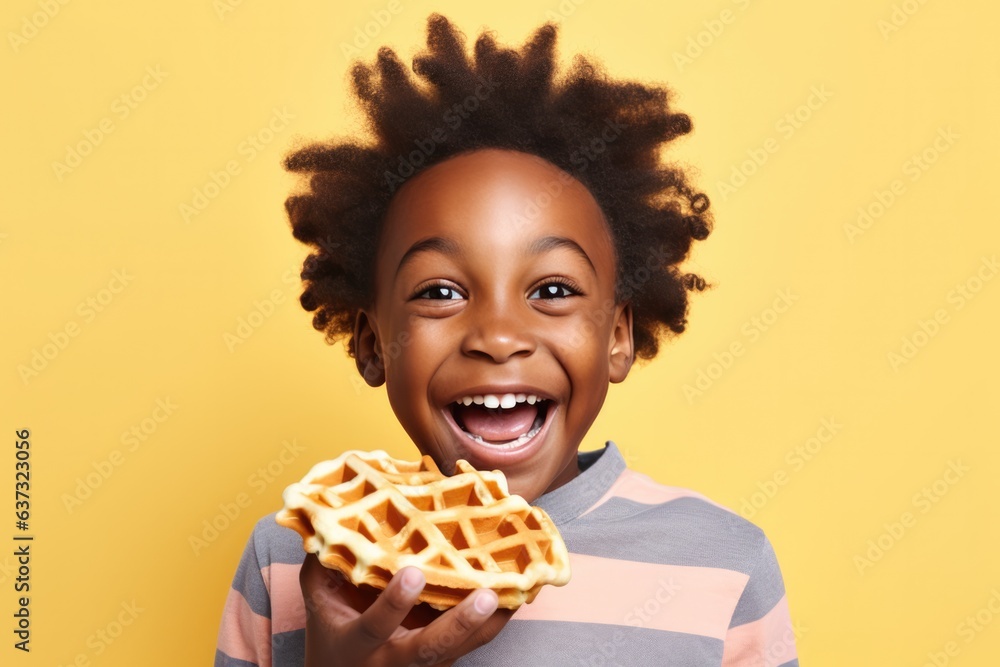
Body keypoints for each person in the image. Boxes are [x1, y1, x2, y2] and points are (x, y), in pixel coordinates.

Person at [216, 13, 799, 667]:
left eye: (551, 290)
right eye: (439, 291)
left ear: (618, 335)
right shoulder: (292, 557)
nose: (497, 337)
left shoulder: (723, 564)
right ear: (371, 341)